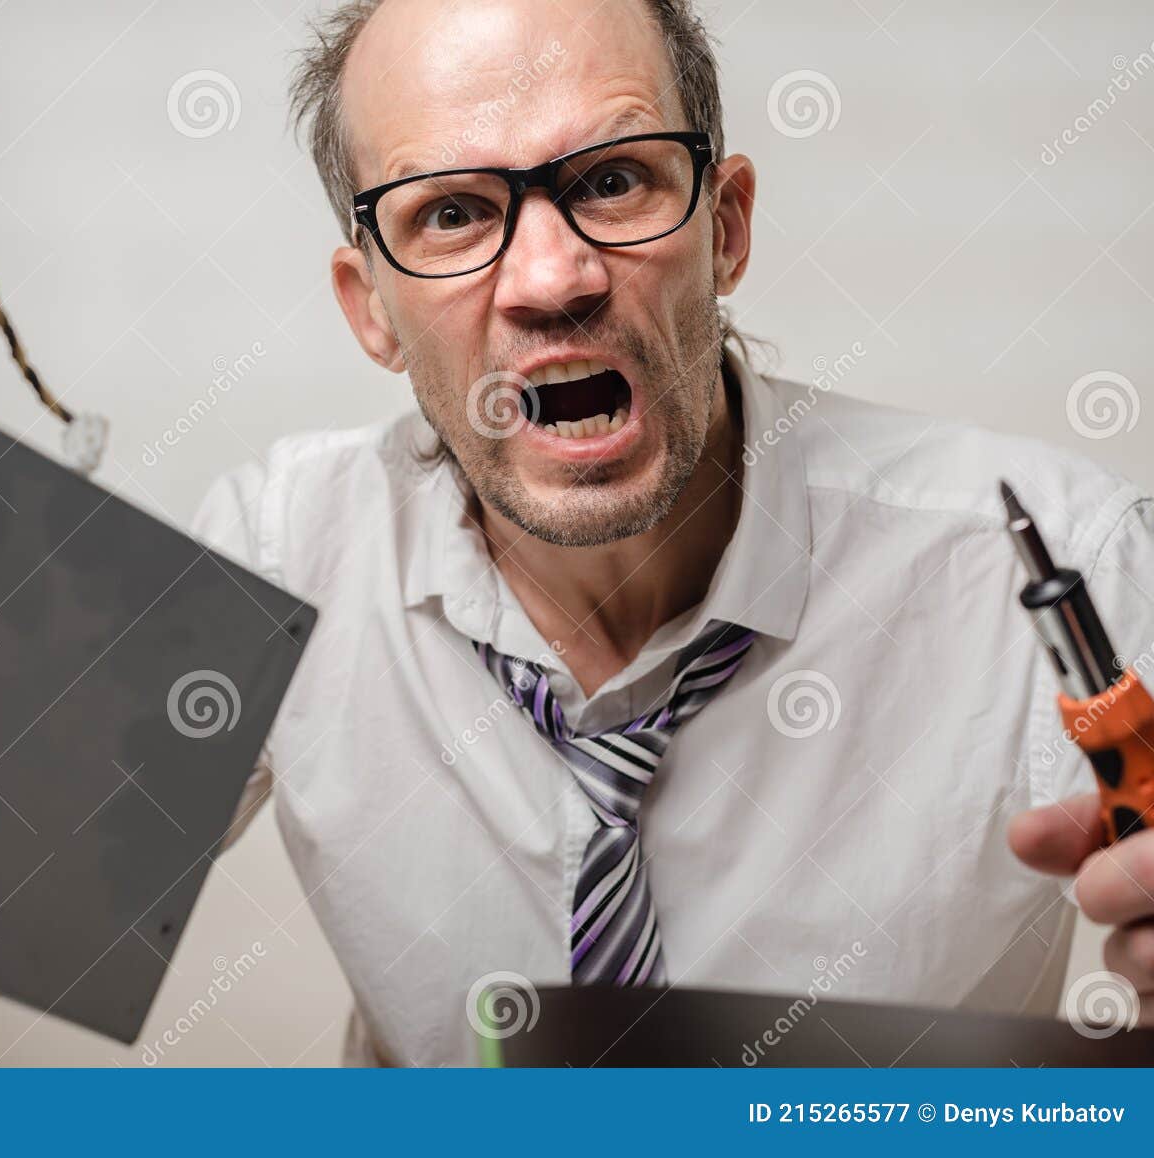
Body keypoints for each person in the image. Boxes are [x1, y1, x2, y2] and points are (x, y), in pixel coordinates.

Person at [192, 0, 1154, 1065]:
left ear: (725, 227)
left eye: (613, 181)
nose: (552, 280)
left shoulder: (1068, 560)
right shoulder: (275, 554)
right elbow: (40, 889)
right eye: (452, 212)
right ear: (370, 306)